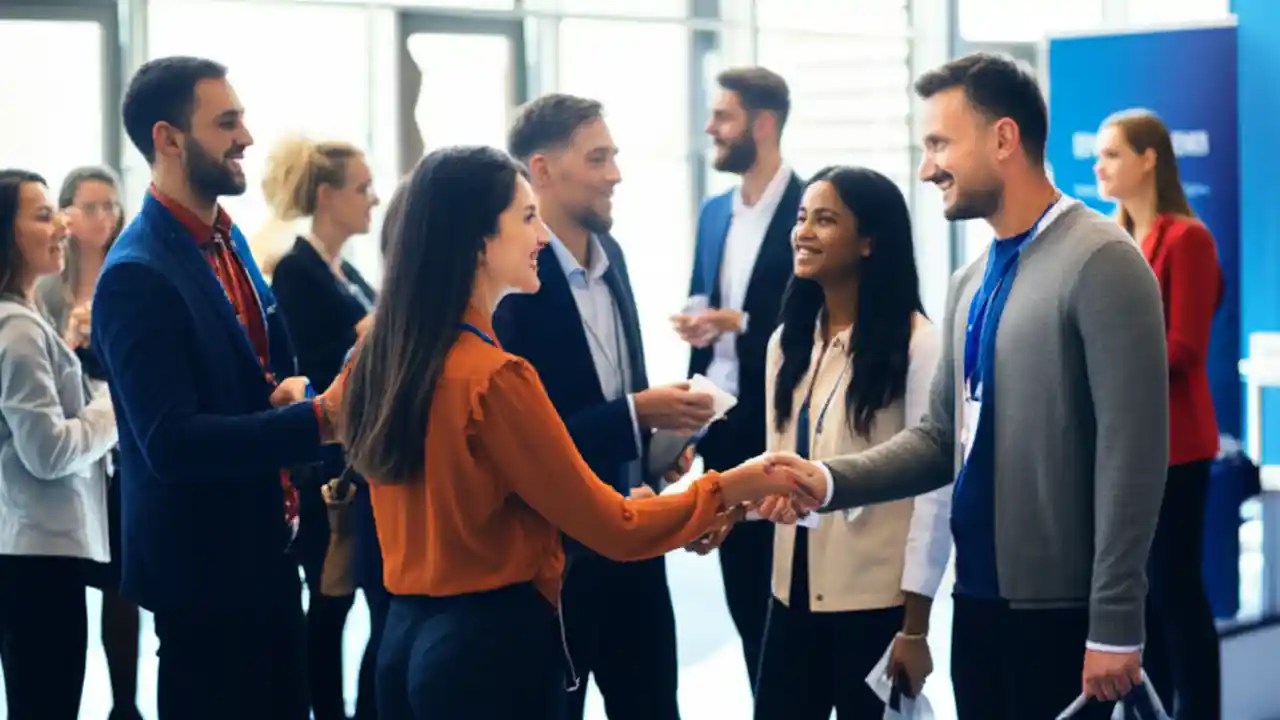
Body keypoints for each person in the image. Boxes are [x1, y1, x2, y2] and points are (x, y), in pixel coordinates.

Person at [761, 53, 1170, 719]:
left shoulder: (1102, 261)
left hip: (1065, 616)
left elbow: (1134, 455)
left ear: (1003, 139)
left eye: (940, 144)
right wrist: (826, 480)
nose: (927, 168)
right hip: (977, 604)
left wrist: (1116, 621)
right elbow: (939, 440)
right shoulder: (968, 282)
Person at [339, 145, 812, 719]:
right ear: (478, 241)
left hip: (402, 638)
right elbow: (615, 528)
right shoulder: (494, 378)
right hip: (487, 649)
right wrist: (732, 486)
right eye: (527, 217)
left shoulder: (376, 357)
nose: (541, 237)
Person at [93, 56, 344, 720]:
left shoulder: (227, 242)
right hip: (204, 583)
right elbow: (170, 444)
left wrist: (293, 395)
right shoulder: (137, 271)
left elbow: (261, 374)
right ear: (168, 138)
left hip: (267, 557)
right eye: (226, 122)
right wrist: (314, 422)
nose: (247, 138)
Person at [498, 93, 711, 720]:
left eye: (613, 155)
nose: (615, 173)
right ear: (542, 170)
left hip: (635, 539)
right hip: (558, 560)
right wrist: (635, 415)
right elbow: (525, 445)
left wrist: (658, 450)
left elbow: (624, 383)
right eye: (598, 158)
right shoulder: (512, 289)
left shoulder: (610, 255)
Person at [751, 166, 952, 718]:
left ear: (868, 242)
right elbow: (778, 467)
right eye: (801, 218)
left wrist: (915, 626)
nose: (804, 232)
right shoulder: (787, 343)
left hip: (875, 605)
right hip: (789, 595)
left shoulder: (920, 345)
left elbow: (934, 498)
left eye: (825, 219)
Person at [671, 66, 802, 690]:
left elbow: (814, 317)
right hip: (722, 429)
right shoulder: (713, 212)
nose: (710, 128)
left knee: (791, 602)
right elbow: (707, 297)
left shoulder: (812, 208)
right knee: (744, 600)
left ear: (763, 122)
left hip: (781, 430)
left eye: (722, 116)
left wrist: (741, 321)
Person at [1095, 108, 1223, 720]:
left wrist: (1101, 361)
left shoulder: (1186, 239)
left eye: (1114, 153)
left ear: (1150, 159)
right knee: (1140, 599)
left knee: (1176, 591)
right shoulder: (1116, 238)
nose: (1100, 165)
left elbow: (1185, 346)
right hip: (1129, 448)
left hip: (1180, 446)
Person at [265, 136, 381, 720]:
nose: (374, 199)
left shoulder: (348, 272)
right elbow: (309, 367)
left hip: (357, 460)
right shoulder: (296, 271)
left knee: (346, 599)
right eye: (363, 188)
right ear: (329, 195)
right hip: (326, 468)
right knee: (330, 598)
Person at [0, 169, 118, 720]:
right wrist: (112, 409)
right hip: (38, 556)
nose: (63, 227)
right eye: (44, 214)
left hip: (35, 550)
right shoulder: (18, 330)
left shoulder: (24, 320)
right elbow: (45, 452)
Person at [35, 165, 143, 720]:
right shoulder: (45, 285)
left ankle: (125, 704)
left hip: (120, 446)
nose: (103, 218)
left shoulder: (128, 272)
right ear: (66, 213)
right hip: (68, 445)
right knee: (66, 583)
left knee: (120, 580)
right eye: (91, 206)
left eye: (111, 206)